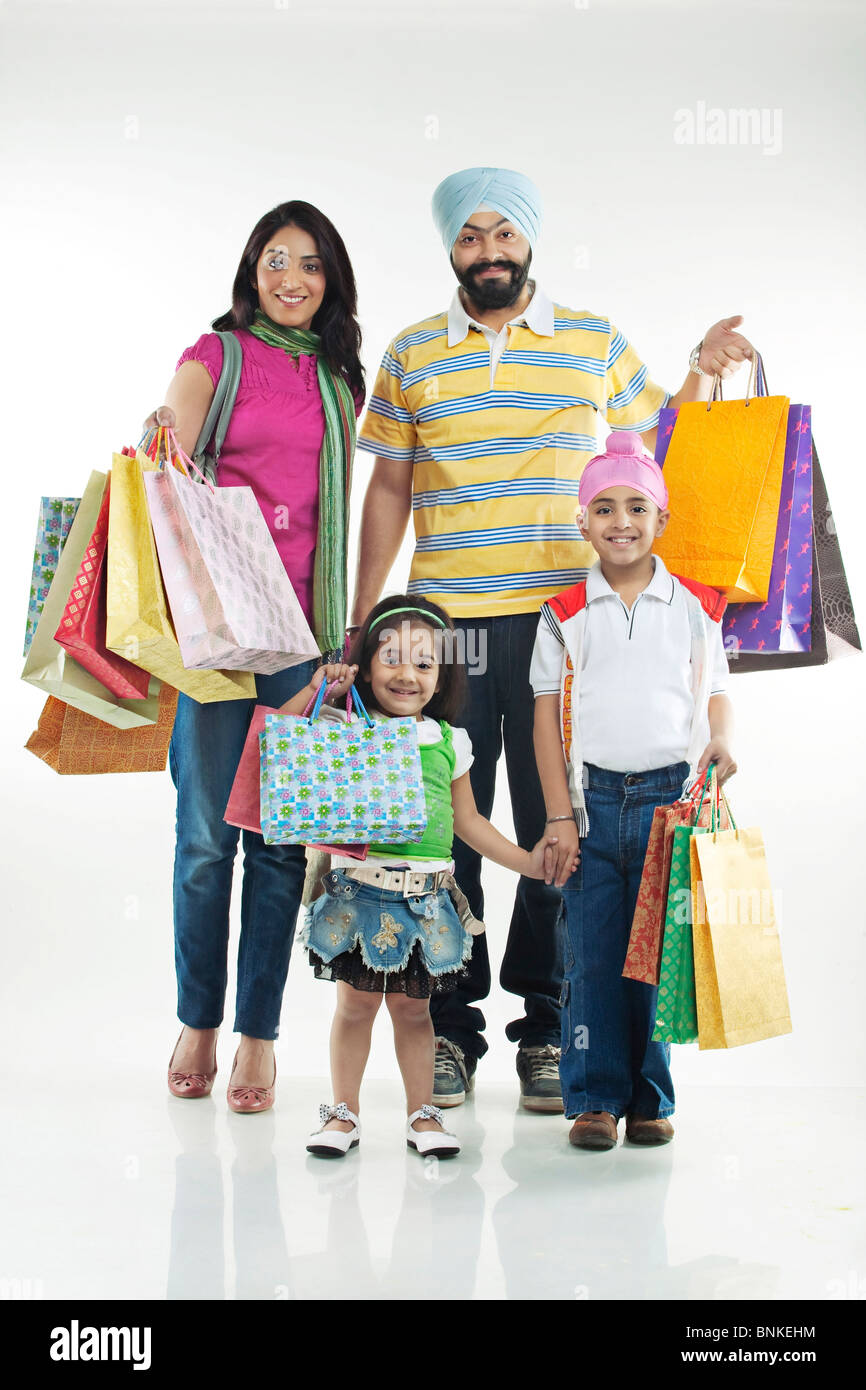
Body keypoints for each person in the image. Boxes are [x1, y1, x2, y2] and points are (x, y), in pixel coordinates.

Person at [350, 164, 753, 1111]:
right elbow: (388, 490)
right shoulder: (412, 354)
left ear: (529, 238)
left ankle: (545, 1024)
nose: (487, 252)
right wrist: (363, 616)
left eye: (502, 234)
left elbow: (658, 440)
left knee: (551, 825)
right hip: (450, 625)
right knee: (440, 825)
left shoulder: (591, 340)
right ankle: (448, 1029)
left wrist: (697, 363)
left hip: (557, 628)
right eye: (468, 238)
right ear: (449, 248)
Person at [144, 200, 364, 1113]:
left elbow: (343, 516)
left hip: (303, 640)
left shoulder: (341, 381)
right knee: (205, 839)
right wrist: (158, 432)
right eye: (276, 260)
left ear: (330, 283)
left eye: (311, 265)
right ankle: (198, 1018)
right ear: (251, 269)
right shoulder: (214, 358)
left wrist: (348, 631)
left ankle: (258, 1036)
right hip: (221, 633)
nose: (292, 279)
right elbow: (167, 479)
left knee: (280, 844)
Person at [281, 595, 576, 1158]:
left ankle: (424, 1114)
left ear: (441, 679)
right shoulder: (344, 728)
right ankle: (342, 1112)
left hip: (425, 900)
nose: (406, 674)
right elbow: (285, 740)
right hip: (357, 895)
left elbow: (468, 822)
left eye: (424, 663)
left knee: (415, 1012)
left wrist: (527, 861)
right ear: (365, 666)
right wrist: (324, 685)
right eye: (390, 658)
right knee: (355, 1008)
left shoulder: (448, 740)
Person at [530, 432, 737, 1150]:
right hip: (590, 805)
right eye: (605, 507)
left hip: (667, 804)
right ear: (582, 522)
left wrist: (722, 739)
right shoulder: (563, 613)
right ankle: (593, 1097)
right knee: (589, 957)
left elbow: (713, 692)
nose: (622, 521)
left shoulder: (696, 608)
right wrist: (559, 813)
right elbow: (543, 722)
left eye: (637, 508)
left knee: (655, 955)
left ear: (662, 521)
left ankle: (649, 1099)